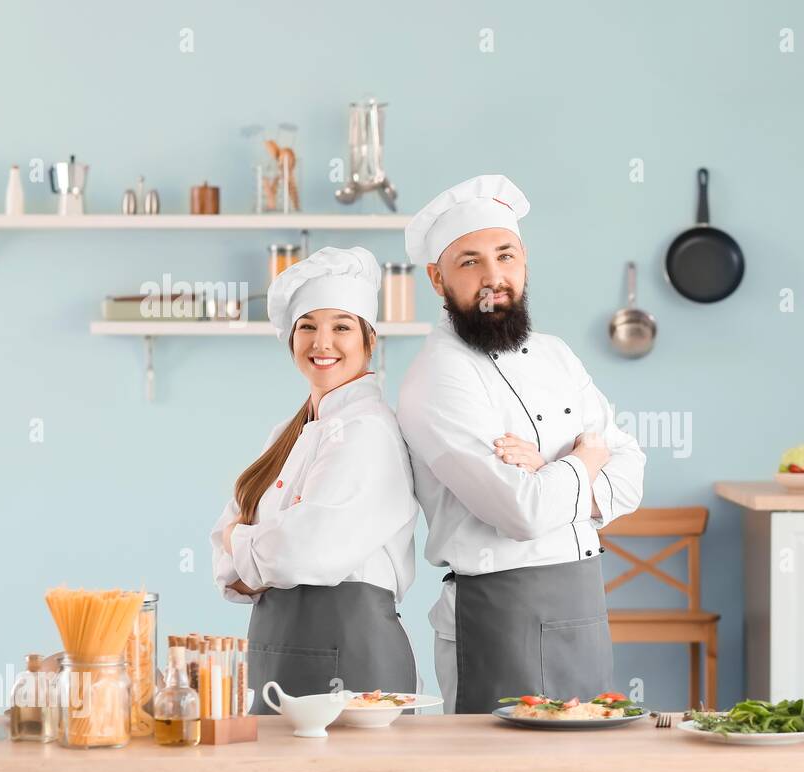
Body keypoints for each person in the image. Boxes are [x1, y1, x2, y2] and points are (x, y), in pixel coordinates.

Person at [397, 174, 645, 713]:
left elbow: (632, 474)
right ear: (438, 280)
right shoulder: (437, 379)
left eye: (505, 256)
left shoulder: (556, 354)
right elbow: (521, 513)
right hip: (499, 613)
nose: (494, 277)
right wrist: (583, 458)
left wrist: (553, 469)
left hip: (582, 603)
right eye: (470, 262)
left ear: (524, 260)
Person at [210, 246, 420, 711]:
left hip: (352, 656)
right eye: (308, 327)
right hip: (276, 655)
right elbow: (229, 569)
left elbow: (305, 550)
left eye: (341, 327)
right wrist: (252, 550)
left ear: (370, 342)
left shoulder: (369, 430)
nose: (321, 343)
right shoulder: (284, 435)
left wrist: (240, 542)